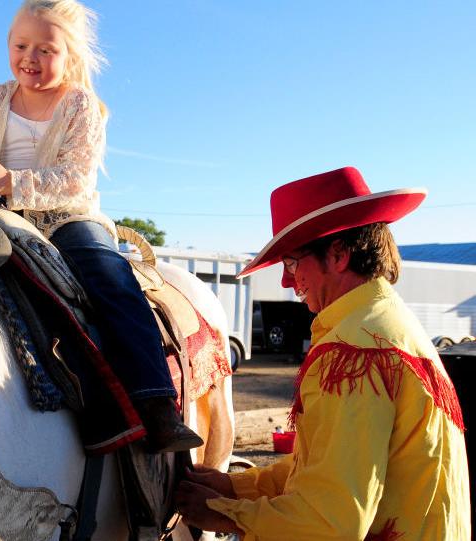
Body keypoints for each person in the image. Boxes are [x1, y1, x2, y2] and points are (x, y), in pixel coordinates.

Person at [0, 0, 202, 454]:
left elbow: (75, 179)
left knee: (110, 279)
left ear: (69, 55)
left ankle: (154, 400)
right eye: (21, 45)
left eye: (46, 49)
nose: (29, 58)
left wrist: (11, 181)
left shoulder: (80, 105)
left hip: (66, 217)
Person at [175, 166, 471, 539]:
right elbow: (321, 465)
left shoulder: (353, 351)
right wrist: (235, 487)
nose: (285, 280)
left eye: (292, 262)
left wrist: (225, 513)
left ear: (340, 253)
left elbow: (331, 522)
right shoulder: (387, 325)